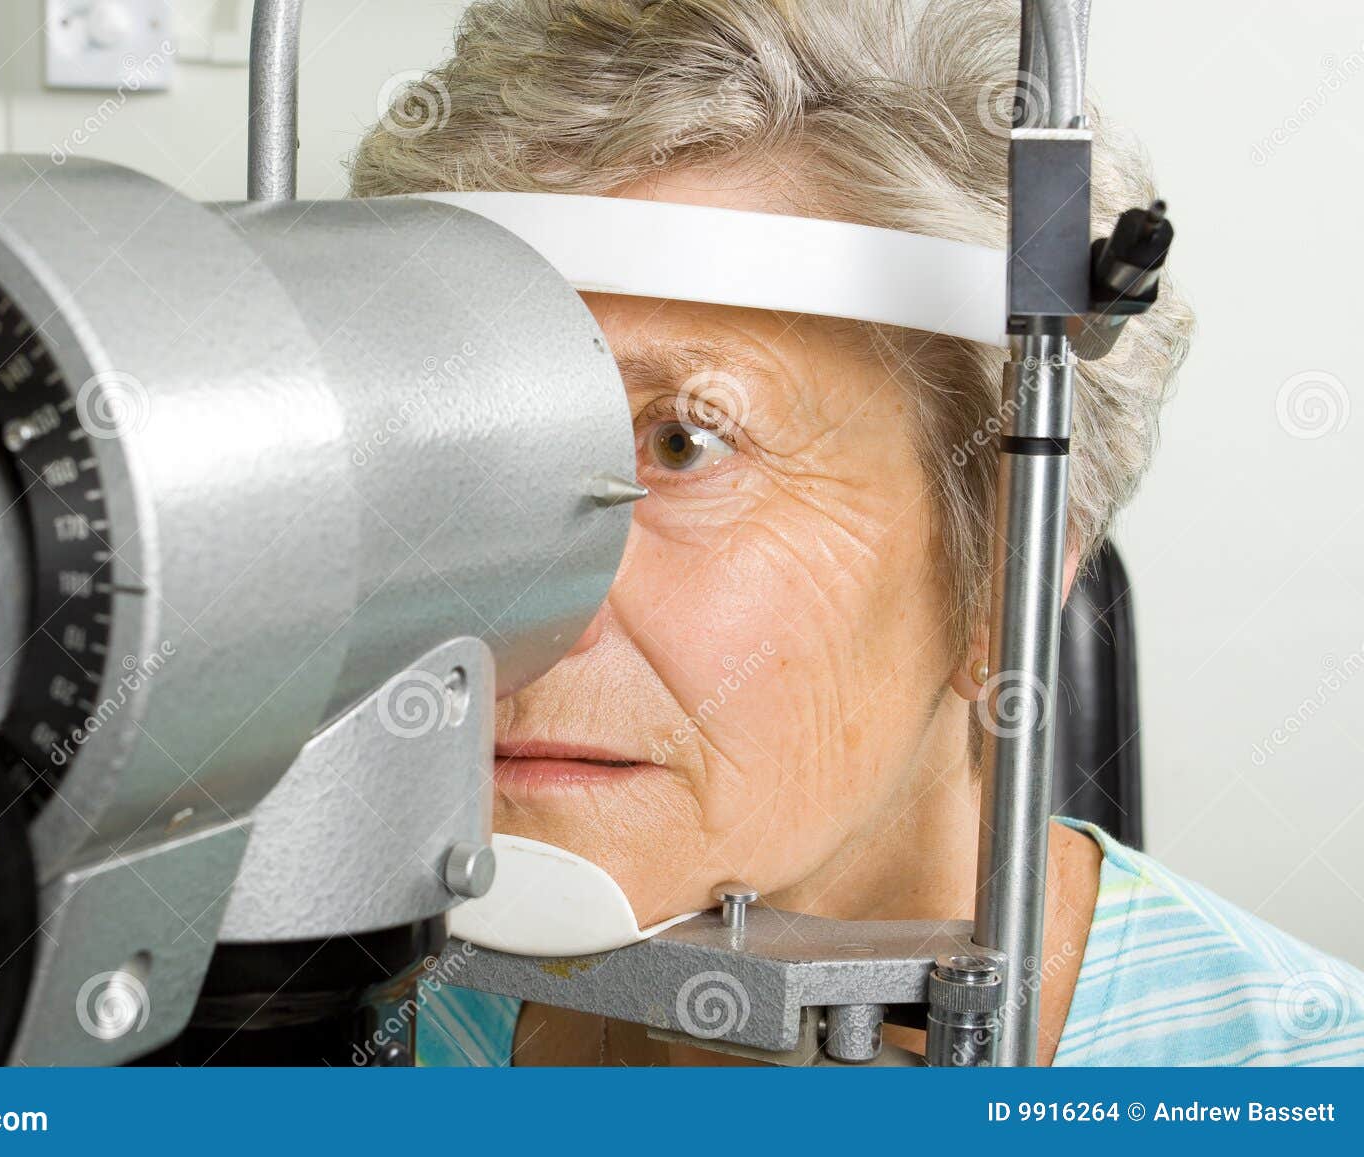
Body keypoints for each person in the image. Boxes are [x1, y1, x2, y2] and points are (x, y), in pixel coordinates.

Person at [348, 0, 1364, 1065]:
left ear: (1003, 567)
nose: (519, 612)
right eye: (463, 444)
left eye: (685, 443)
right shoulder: (350, 1013)